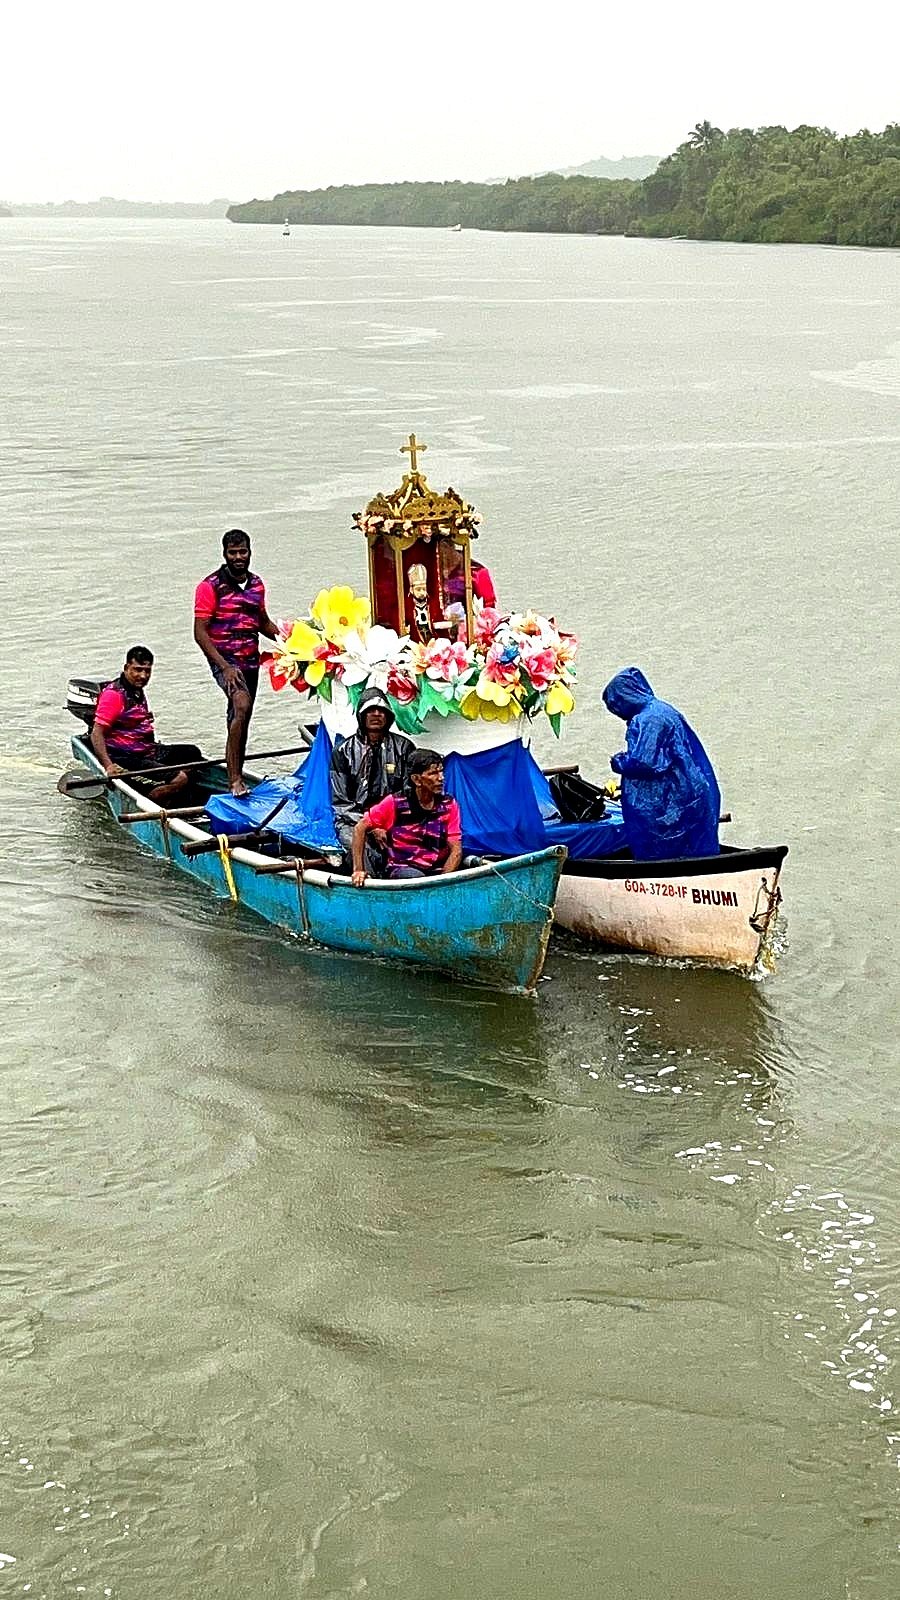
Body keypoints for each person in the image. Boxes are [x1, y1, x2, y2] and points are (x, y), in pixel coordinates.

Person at [602, 667, 720, 861]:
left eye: (616, 705)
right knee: (691, 851)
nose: (617, 712)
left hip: (676, 800)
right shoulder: (661, 710)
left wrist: (619, 762)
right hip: (686, 793)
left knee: (670, 851)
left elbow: (645, 763)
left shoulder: (650, 719)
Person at [193, 529, 278, 796]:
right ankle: (234, 781)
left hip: (250, 658)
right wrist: (225, 666)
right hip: (224, 658)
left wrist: (293, 641)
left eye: (243, 552)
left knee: (242, 715)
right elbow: (200, 632)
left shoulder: (257, 585)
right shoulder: (209, 586)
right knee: (241, 704)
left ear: (250, 552)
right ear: (224, 554)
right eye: (233, 553)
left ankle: (237, 770)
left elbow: (262, 622)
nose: (239, 557)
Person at [91, 646, 202, 803]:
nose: (143, 676)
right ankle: (152, 800)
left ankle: (165, 787)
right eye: (137, 670)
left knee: (192, 754)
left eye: (147, 671)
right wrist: (108, 766)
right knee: (180, 779)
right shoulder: (113, 695)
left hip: (146, 750)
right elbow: (97, 733)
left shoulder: (136, 690)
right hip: (124, 756)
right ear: (126, 668)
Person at [330, 686, 414, 873]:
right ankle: (371, 887)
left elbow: (410, 795)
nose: (376, 714)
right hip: (354, 821)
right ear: (361, 715)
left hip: (395, 820)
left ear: (389, 716)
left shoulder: (404, 748)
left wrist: (388, 824)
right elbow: (341, 803)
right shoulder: (343, 751)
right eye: (370, 710)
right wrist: (371, 826)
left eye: (381, 710)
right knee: (359, 847)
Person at [351, 749, 463, 884]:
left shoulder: (449, 804)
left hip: (437, 871)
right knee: (417, 879)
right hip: (403, 869)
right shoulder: (395, 802)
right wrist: (358, 869)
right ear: (416, 779)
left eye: (441, 771)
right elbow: (359, 828)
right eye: (433, 773)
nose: (441, 778)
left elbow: (456, 849)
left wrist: (443, 882)